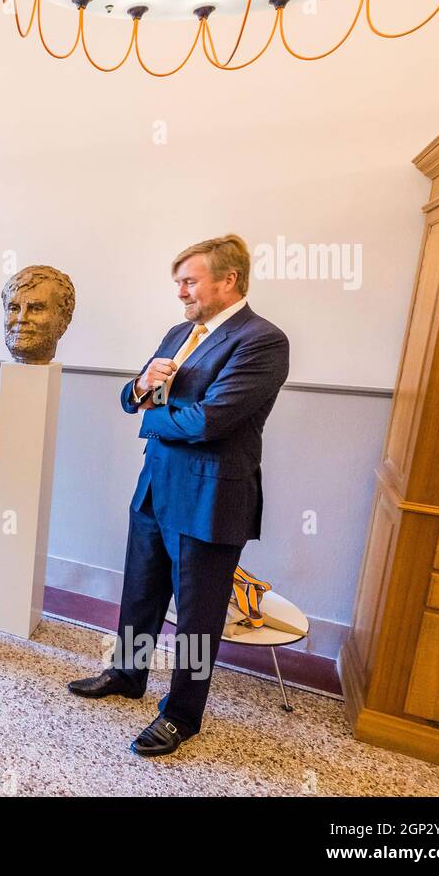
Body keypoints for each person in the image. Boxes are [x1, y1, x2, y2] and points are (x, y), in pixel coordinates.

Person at [67, 234, 289, 757]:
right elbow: (131, 396)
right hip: (154, 488)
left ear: (228, 280)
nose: (182, 293)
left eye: (190, 281)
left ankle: (182, 715)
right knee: (140, 594)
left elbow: (211, 421)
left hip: (209, 498)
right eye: (178, 284)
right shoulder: (179, 331)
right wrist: (143, 386)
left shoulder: (262, 340)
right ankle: (127, 674)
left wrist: (150, 418)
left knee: (197, 615)